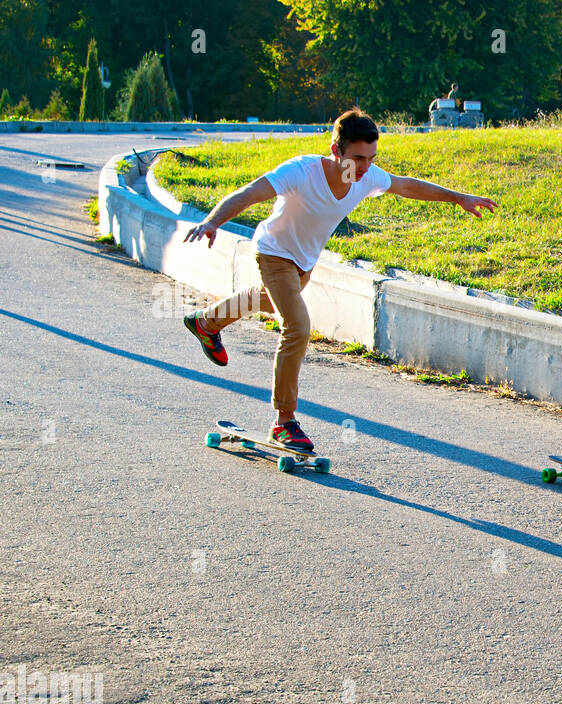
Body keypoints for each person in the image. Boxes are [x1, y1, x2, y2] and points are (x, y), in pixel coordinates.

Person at [181, 108, 497, 451]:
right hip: (274, 253)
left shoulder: (369, 177)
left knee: (267, 299)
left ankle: (206, 323)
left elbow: (407, 186)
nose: (364, 168)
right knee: (297, 325)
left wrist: (459, 198)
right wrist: (213, 221)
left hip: (304, 262)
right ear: (337, 151)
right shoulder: (301, 171)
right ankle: (284, 421)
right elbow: (250, 192)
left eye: (371, 158)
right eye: (358, 158)